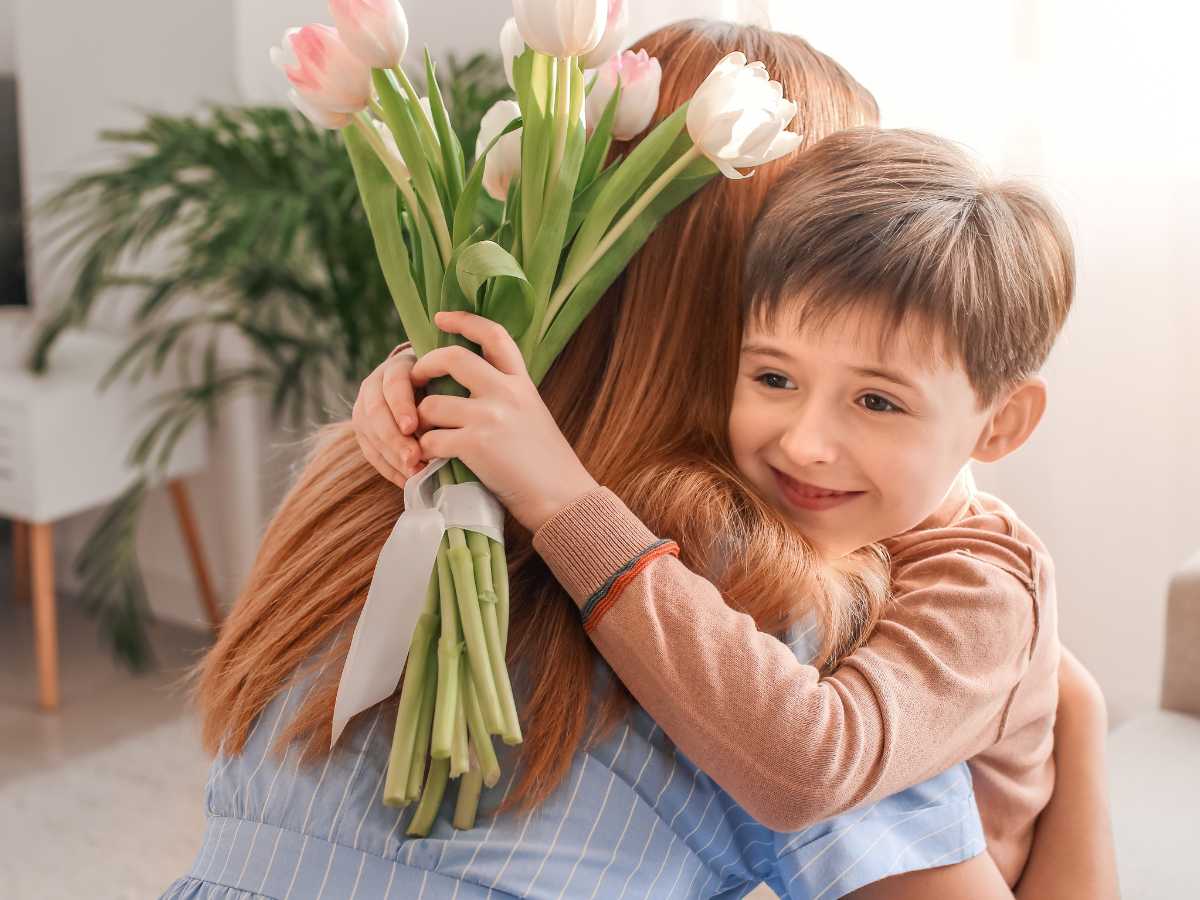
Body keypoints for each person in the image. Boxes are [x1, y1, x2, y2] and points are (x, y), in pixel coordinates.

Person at [163, 22, 1113, 900]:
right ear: (755, 289)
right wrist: (1078, 713)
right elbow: (811, 757)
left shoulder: (374, 469)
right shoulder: (772, 599)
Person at [375, 124, 1077, 889]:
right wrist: (416, 383)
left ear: (1001, 424)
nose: (806, 443)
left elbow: (808, 768)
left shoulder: (984, 588)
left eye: (877, 401)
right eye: (774, 378)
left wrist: (563, 501)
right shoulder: (799, 505)